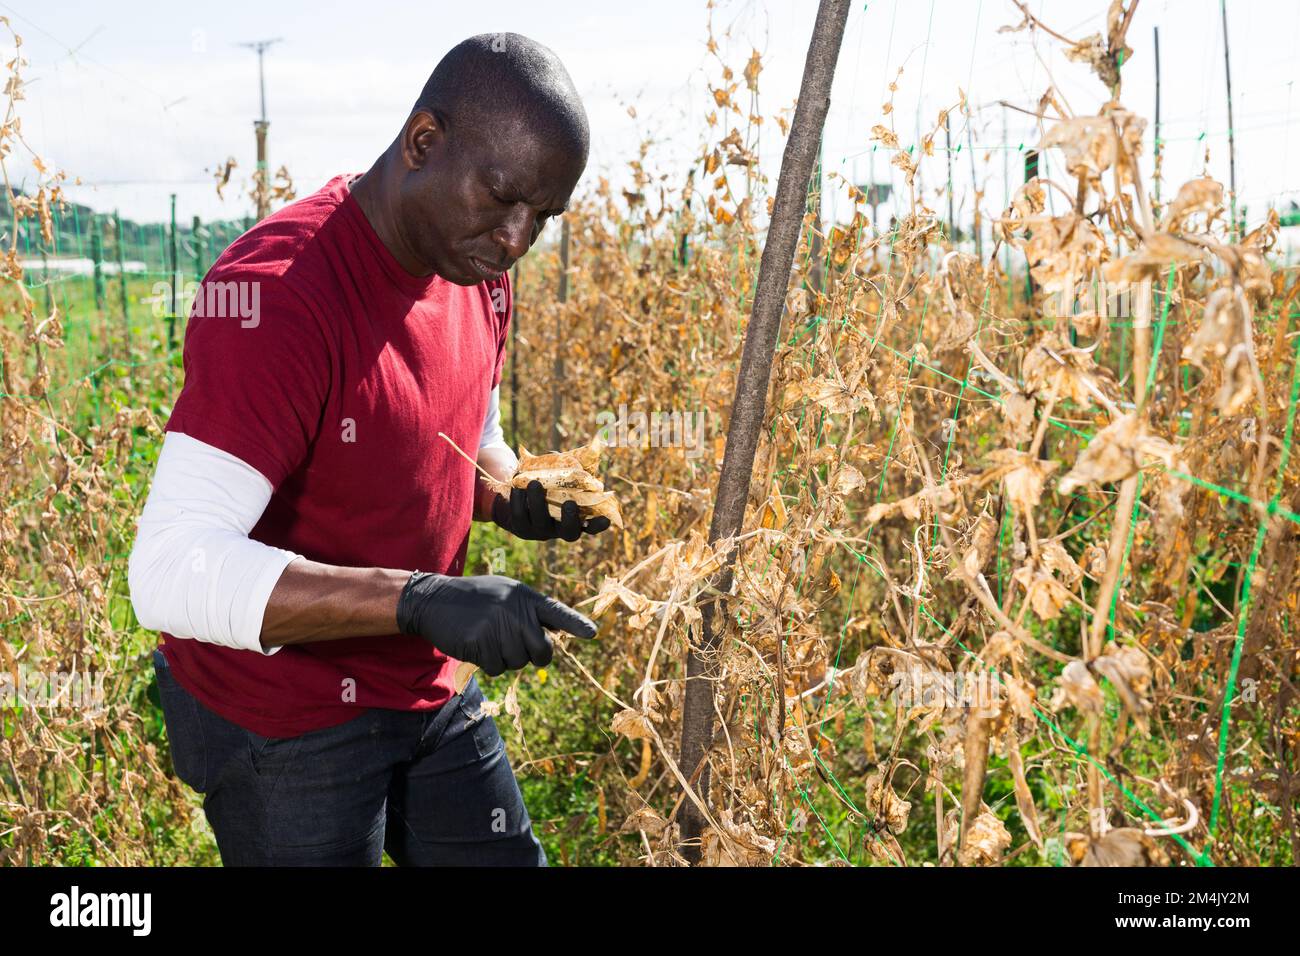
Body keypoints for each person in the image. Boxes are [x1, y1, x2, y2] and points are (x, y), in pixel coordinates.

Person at [128, 33, 606, 866]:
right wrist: (421, 598)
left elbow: (468, 429)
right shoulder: (279, 298)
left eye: (543, 216)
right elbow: (168, 571)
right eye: (503, 198)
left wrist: (509, 490)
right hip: (283, 721)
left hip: (427, 685)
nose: (518, 239)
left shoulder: (474, 268)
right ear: (424, 143)